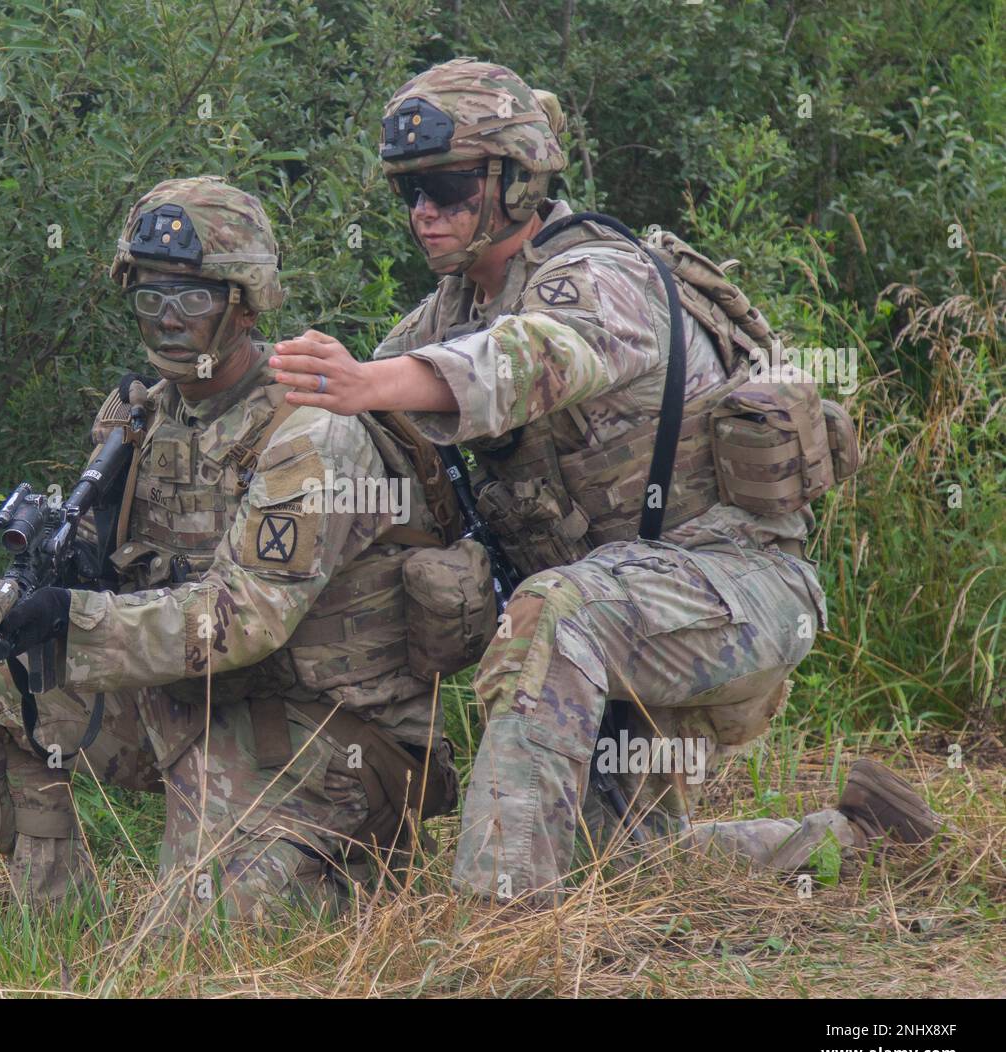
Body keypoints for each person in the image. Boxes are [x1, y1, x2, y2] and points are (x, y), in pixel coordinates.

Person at [270, 59, 938, 906]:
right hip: (625, 611)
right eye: (408, 194)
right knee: (619, 870)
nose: (423, 213)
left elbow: (534, 359)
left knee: (552, 612)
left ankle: (502, 924)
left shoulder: (600, 275)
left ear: (514, 182)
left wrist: (375, 382)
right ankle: (857, 837)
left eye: (445, 186)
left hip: (735, 587)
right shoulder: (459, 304)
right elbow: (367, 393)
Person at [0, 176, 457, 926]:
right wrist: (25, 609)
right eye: (150, 298)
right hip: (204, 709)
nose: (167, 321)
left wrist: (71, 620)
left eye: (192, 299)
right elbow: (107, 565)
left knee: (189, 948)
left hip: (335, 734)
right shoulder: (141, 418)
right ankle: (56, 925)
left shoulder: (309, 429)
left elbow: (246, 616)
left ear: (244, 302)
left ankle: (353, 880)